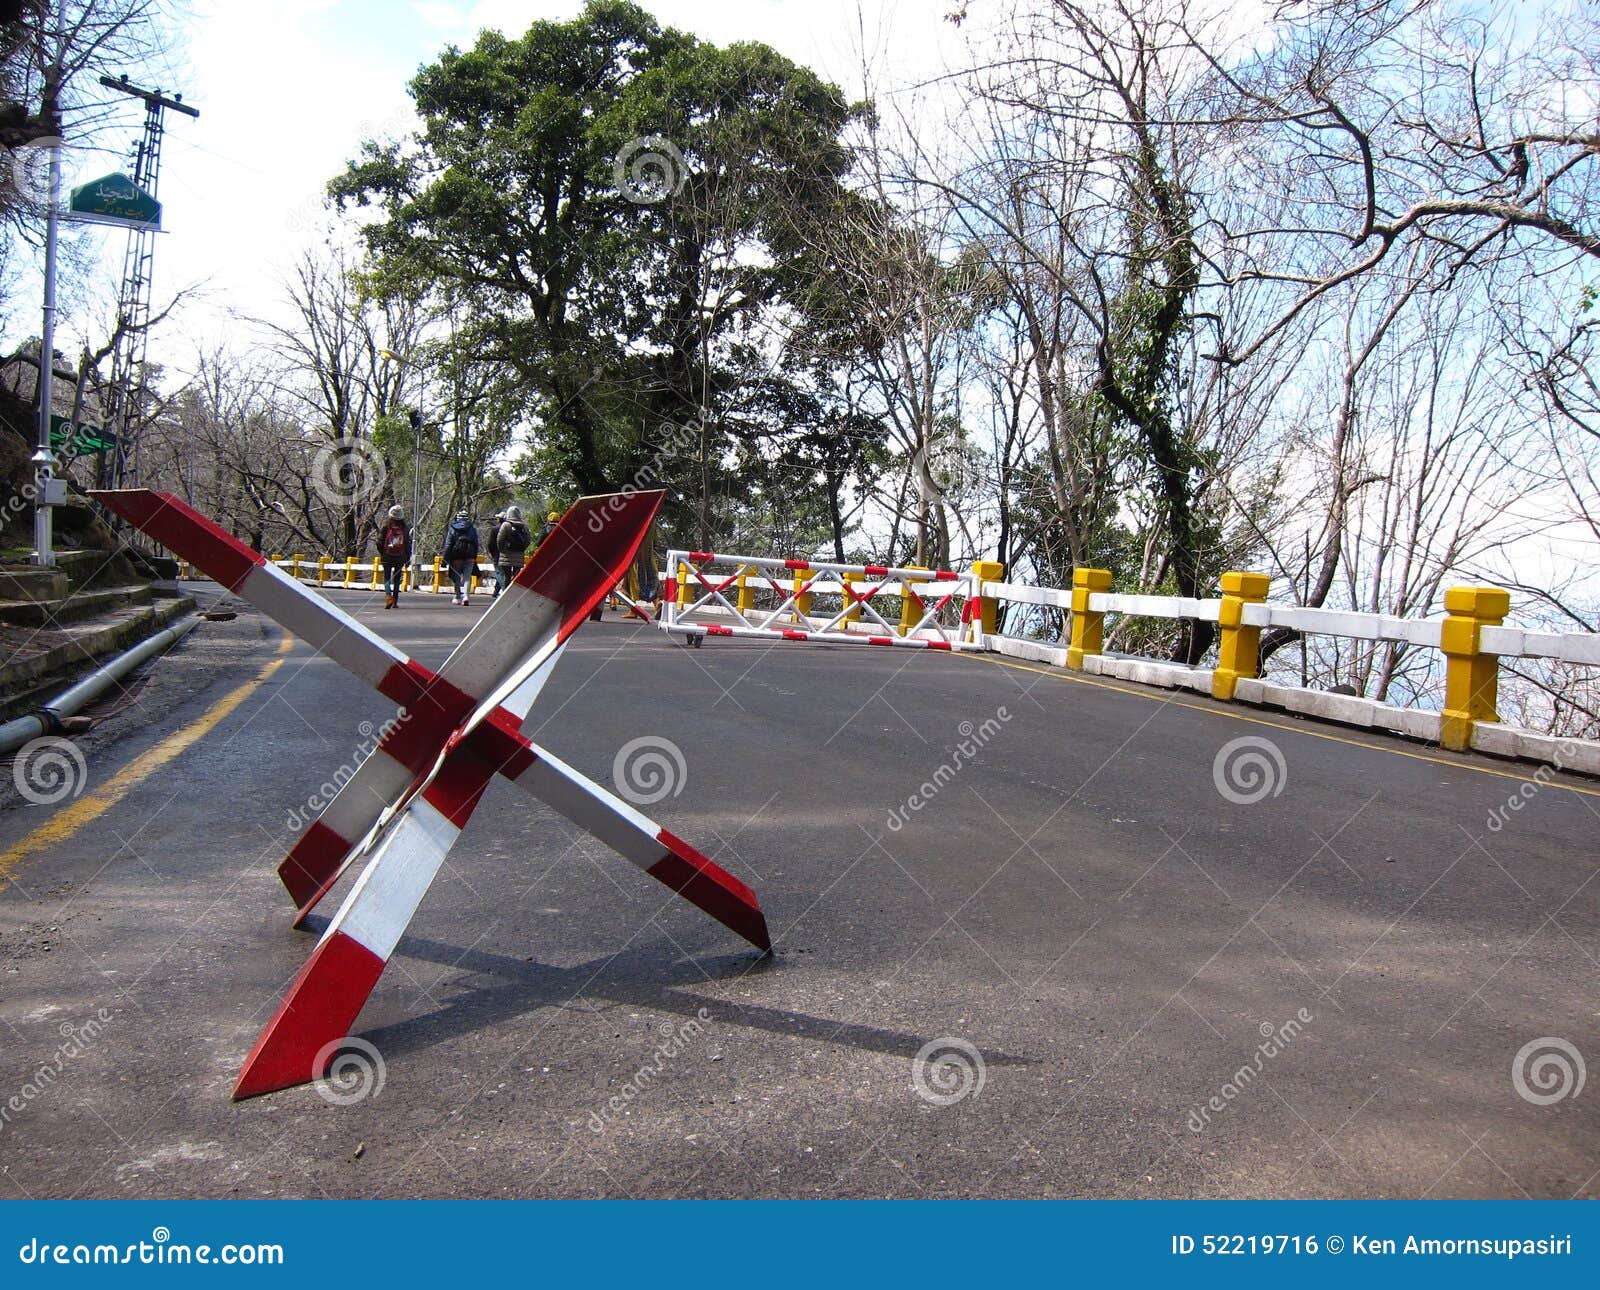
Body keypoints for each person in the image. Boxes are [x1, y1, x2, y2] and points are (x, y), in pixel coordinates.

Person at [441, 509, 480, 605]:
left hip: (456, 557)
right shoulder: (472, 529)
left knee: (457, 577)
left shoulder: (452, 528)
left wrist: (445, 559)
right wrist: (474, 557)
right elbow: (476, 544)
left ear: (458, 518)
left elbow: (448, 545)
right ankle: (466, 596)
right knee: (467, 577)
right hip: (470, 557)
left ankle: (457, 596)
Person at [377, 505, 412, 610]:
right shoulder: (404, 528)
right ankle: (395, 601)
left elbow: (379, 541)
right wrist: (408, 558)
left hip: (387, 556)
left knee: (387, 578)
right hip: (400, 557)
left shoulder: (386, 526)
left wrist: (383, 552)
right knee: (397, 579)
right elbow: (408, 544)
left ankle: (388, 597)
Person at [497, 506, 531, 588]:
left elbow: (500, 540)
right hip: (519, 555)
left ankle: (506, 592)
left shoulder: (506, 525)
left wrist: (502, 550)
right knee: (516, 577)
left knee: (507, 576)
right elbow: (528, 540)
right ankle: (514, 592)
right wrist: (522, 549)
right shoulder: (524, 526)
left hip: (506, 555)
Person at [486, 511, 504, 599]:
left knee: (499, 573)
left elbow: (490, 544)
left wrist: (492, 553)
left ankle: (504, 589)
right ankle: (496, 591)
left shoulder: (495, 529)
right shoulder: (511, 528)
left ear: (499, 519)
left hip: (497, 554)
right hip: (508, 554)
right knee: (502, 573)